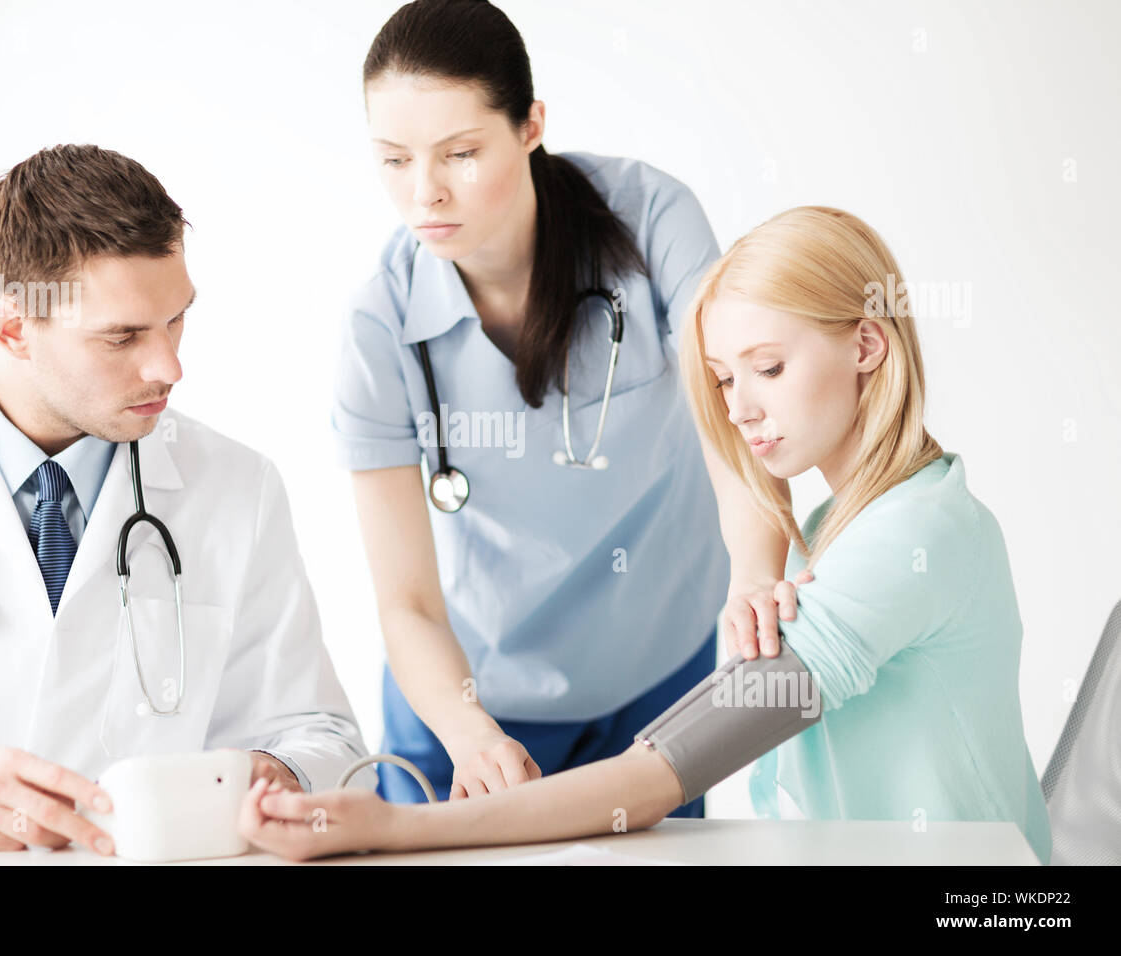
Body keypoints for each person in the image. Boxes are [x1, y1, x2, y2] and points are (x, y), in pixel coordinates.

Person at [240, 205, 1054, 866]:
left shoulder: (912, 539)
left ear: (867, 344)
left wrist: (387, 827)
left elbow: (661, 776)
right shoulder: (833, 534)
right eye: (724, 379)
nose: (737, 410)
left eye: (768, 368)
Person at [0, 144, 372, 854]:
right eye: (123, 336)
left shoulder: (239, 488)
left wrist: (279, 771)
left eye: (177, 319)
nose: (170, 366)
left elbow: (326, 739)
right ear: (13, 327)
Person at [333, 0, 797, 814]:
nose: (425, 192)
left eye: (462, 152)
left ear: (531, 124)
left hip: (658, 671)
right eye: (393, 159)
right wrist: (471, 734)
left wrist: (757, 577)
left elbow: (739, 416)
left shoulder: (652, 220)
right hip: (466, 696)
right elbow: (405, 601)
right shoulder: (381, 327)